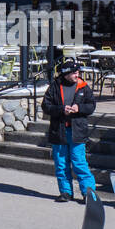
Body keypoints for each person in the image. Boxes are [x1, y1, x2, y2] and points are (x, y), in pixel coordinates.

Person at [41, 57, 97, 203]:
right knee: (61, 163)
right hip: (59, 130)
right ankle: (66, 192)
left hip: (77, 131)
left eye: (78, 71)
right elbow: (46, 106)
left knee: (79, 162)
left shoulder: (83, 86)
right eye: (74, 72)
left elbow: (91, 106)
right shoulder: (54, 86)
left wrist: (79, 108)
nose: (77, 75)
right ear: (66, 74)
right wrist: (61, 110)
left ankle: (88, 193)